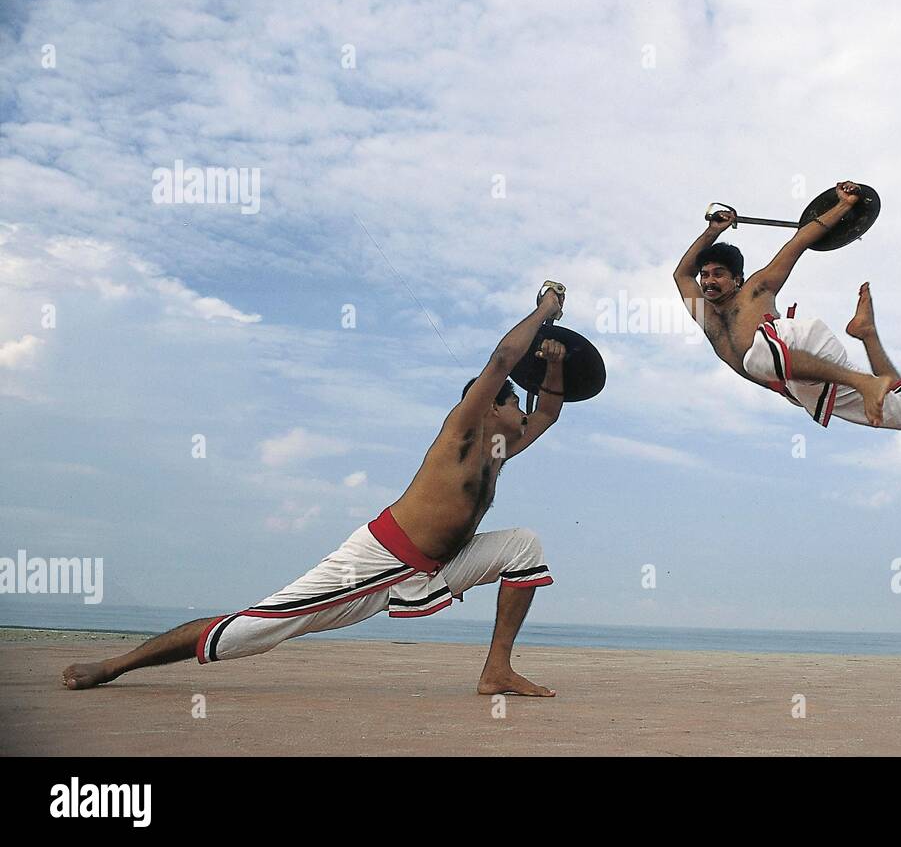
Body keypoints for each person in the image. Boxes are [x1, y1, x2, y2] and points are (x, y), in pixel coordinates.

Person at [61, 286, 571, 697]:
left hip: (439, 563)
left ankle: (496, 671)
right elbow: (502, 360)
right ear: (491, 406)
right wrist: (544, 309)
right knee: (253, 631)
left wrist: (553, 362)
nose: (524, 415)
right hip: (379, 559)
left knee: (523, 547)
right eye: (515, 406)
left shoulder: (498, 450)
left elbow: (548, 411)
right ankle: (115, 665)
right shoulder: (461, 433)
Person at [673, 182, 901, 429]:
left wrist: (844, 205)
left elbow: (798, 243)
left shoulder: (755, 289)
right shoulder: (706, 315)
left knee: (756, 359)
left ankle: (862, 381)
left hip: (803, 344)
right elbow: (682, 275)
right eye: (705, 275)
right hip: (802, 382)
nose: (709, 281)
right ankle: (866, 333)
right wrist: (712, 231)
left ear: (737, 280)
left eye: (718, 274)